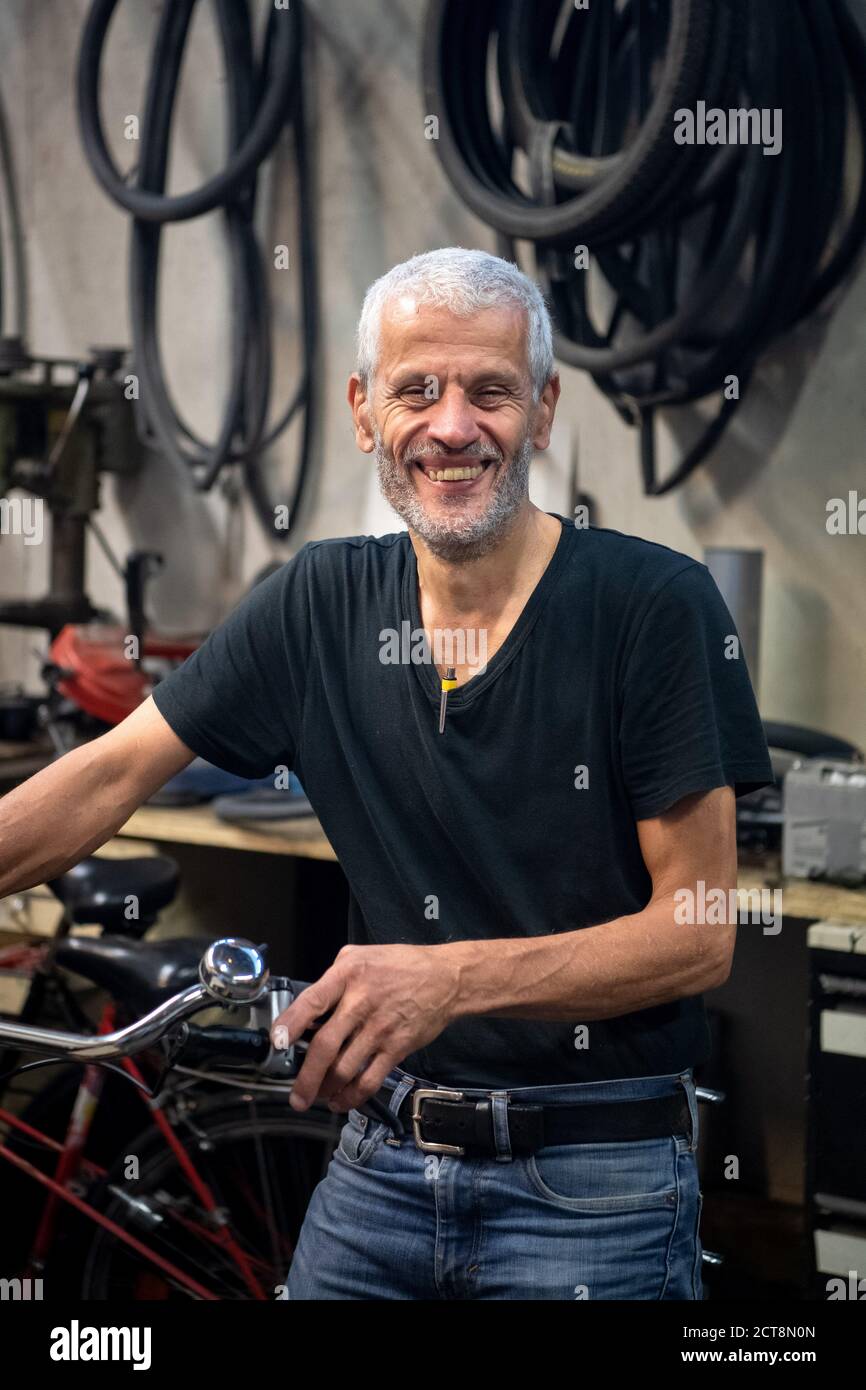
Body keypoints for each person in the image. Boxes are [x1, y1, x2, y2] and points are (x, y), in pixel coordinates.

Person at [0, 247, 773, 1300]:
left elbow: (698, 929)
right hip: (377, 1175)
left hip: (592, 1190)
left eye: (489, 391)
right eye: (417, 389)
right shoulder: (317, 603)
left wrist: (448, 978)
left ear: (542, 411)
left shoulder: (650, 609)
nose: (451, 426)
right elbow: (106, 774)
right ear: (365, 413)